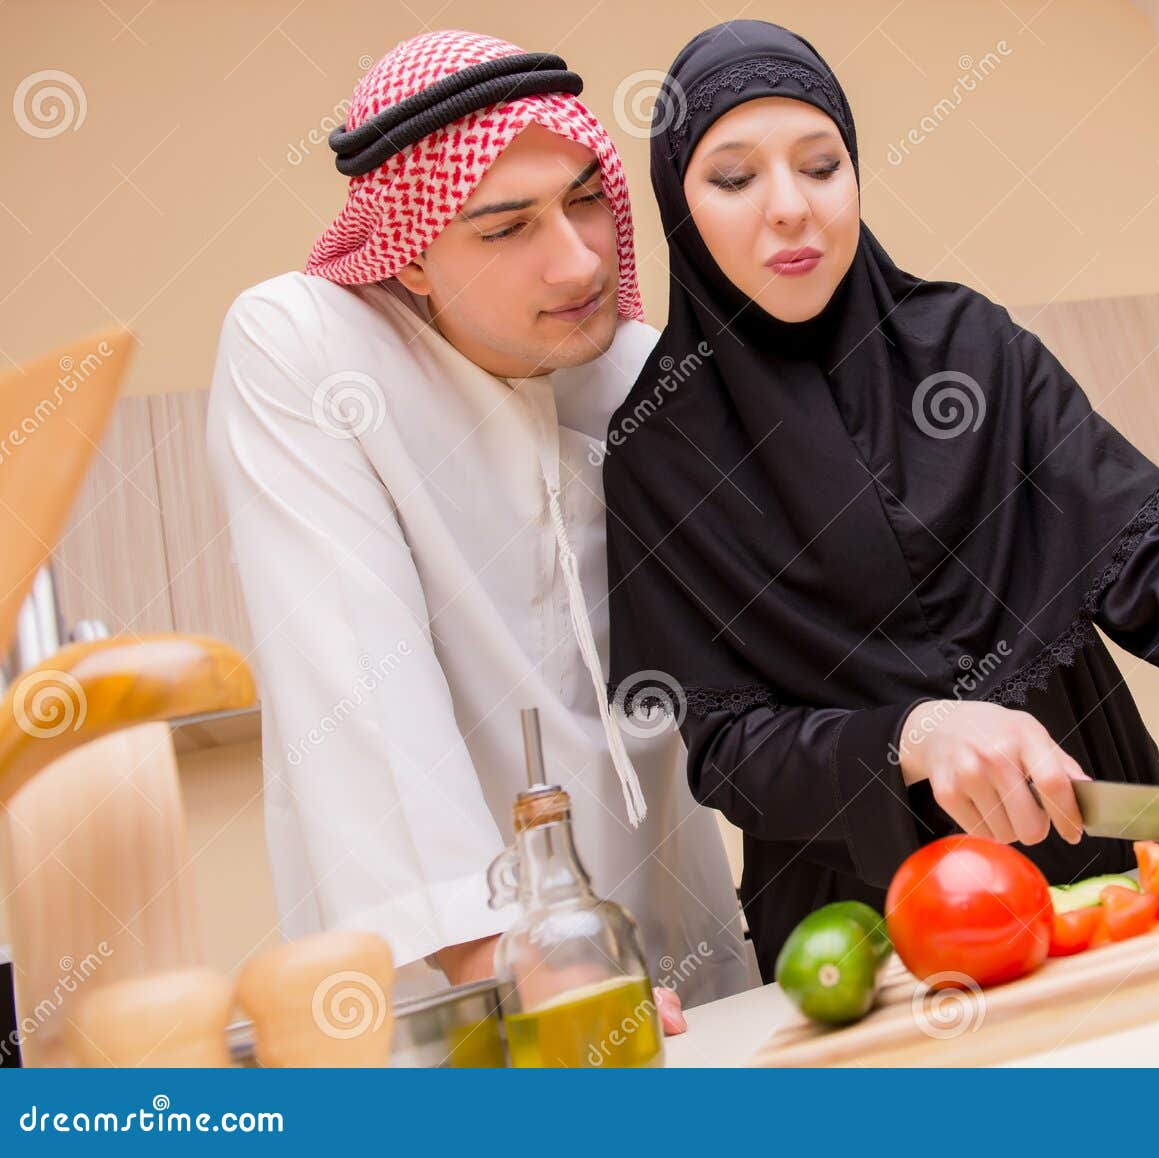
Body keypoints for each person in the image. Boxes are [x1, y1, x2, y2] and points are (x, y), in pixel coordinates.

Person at [601, 20, 1159, 980]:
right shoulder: (654, 452)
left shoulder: (969, 344)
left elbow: (1147, 553)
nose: (790, 209)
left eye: (822, 165)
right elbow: (726, 744)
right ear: (680, 206)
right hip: (872, 928)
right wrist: (910, 737)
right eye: (735, 178)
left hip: (1101, 852)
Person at [207, 30, 759, 1022]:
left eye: (587, 199)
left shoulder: (642, 371)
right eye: (505, 229)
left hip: (690, 964)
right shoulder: (308, 349)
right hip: (455, 982)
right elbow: (354, 672)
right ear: (408, 259)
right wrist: (510, 960)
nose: (578, 257)